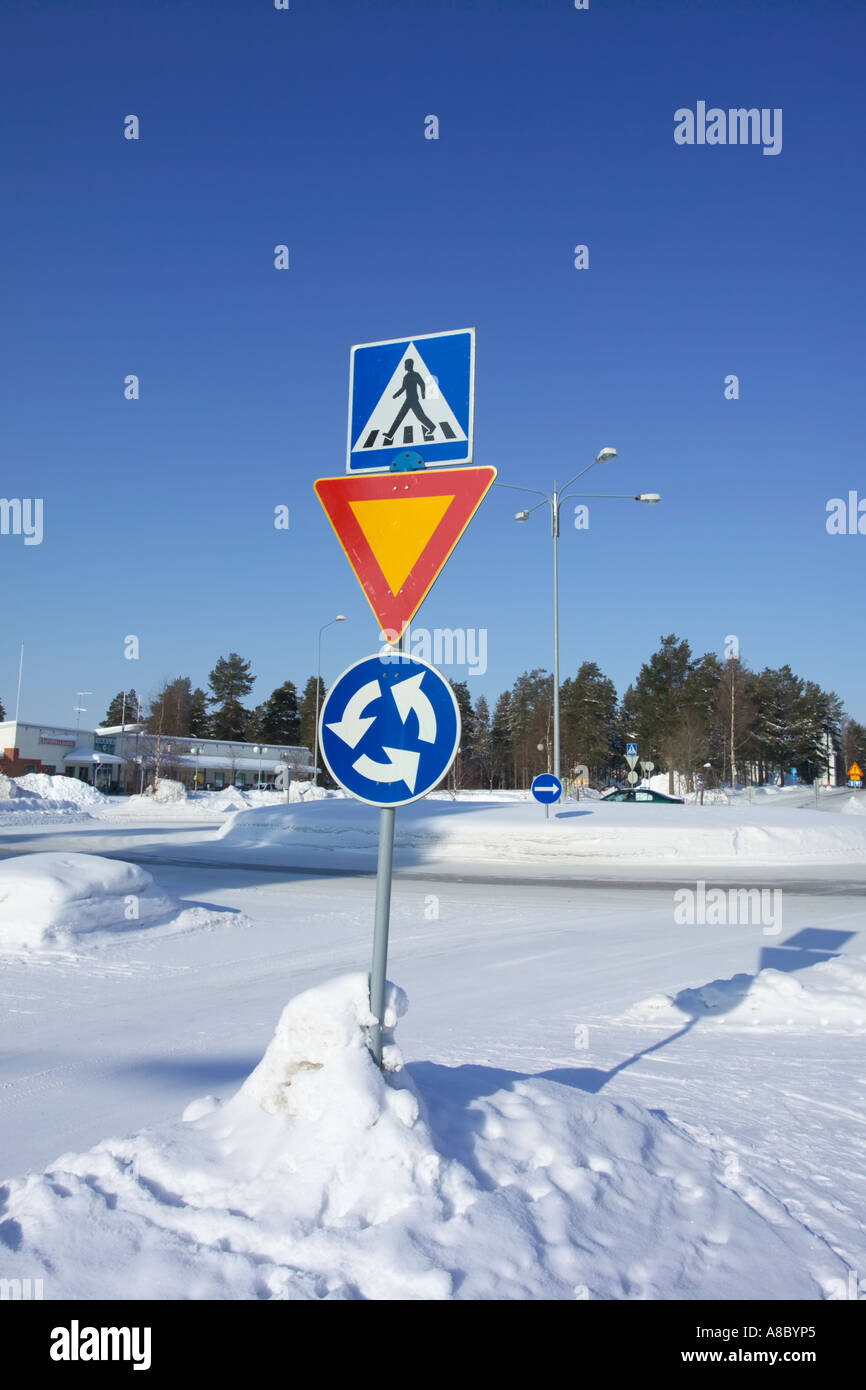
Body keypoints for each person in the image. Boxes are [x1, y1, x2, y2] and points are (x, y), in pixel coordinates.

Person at [383, 358, 436, 443]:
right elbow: (403, 388)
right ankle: (390, 434)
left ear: (410, 365)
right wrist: (396, 395)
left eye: (406, 364)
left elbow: (422, 384)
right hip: (409, 399)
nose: (405, 366)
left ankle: (432, 427)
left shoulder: (415, 375)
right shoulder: (406, 376)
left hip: (413, 399)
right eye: (405, 364)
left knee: (417, 416)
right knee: (405, 416)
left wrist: (423, 394)